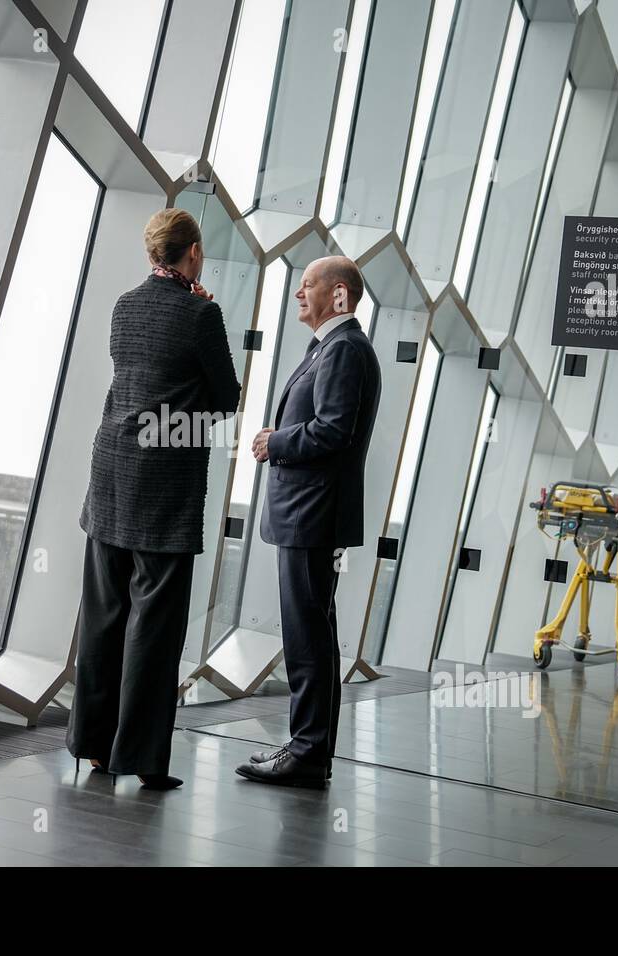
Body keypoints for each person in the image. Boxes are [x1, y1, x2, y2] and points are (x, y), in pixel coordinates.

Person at [68, 208, 241, 790]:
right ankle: (140, 757)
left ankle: (92, 746)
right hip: (164, 480)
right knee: (155, 624)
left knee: (103, 613)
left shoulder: (123, 305)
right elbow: (226, 399)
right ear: (191, 253)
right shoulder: (203, 314)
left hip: (111, 468)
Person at [236, 256, 381, 789]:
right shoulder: (331, 347)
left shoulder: (344, 349)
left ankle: (307, 752)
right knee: (311, 633)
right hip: (308, 512)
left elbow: (334, 430)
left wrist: (275, 442)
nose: (299, 294)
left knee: (308, 637)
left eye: (307, 286)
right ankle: (308, 750)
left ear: (338, 294)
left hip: (312, 515)